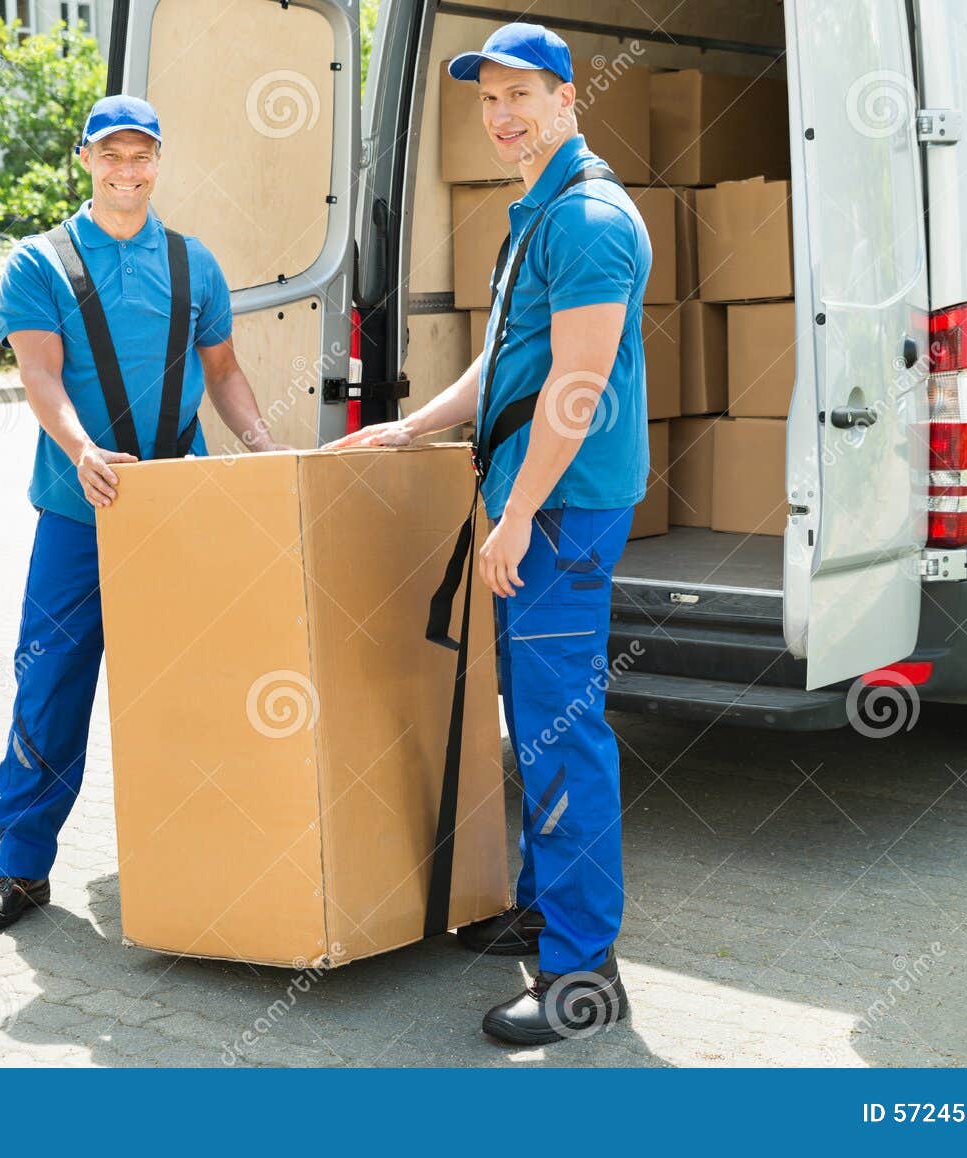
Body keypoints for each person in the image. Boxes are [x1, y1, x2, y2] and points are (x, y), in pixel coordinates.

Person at [329, 23, 652, 1044]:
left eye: (521, 95)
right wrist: (416, 422)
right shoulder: (539, 213)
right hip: (536, 500)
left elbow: (575, 387)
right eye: (487, 100)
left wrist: (514, 519)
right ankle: (541, 906)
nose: (502, 116)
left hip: (559, 508)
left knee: (563, 732)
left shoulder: (589, 219)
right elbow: (507, 364)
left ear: (566, 97)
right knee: (536, 721)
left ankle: (582, 973)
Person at [0, 94, 286, 932]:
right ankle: (20, 869)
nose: (128, 170)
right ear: (86, 161)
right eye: (113, 155)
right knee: (51, 682)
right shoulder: (39, 263)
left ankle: (204, 862)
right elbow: (39, 375)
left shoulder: (193, 264)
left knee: (197, 689)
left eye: (142, 156)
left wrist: (260, 440)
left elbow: (224, 373)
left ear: (158, 162)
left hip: (182, 511)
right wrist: (82, 451)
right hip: (80, 512)